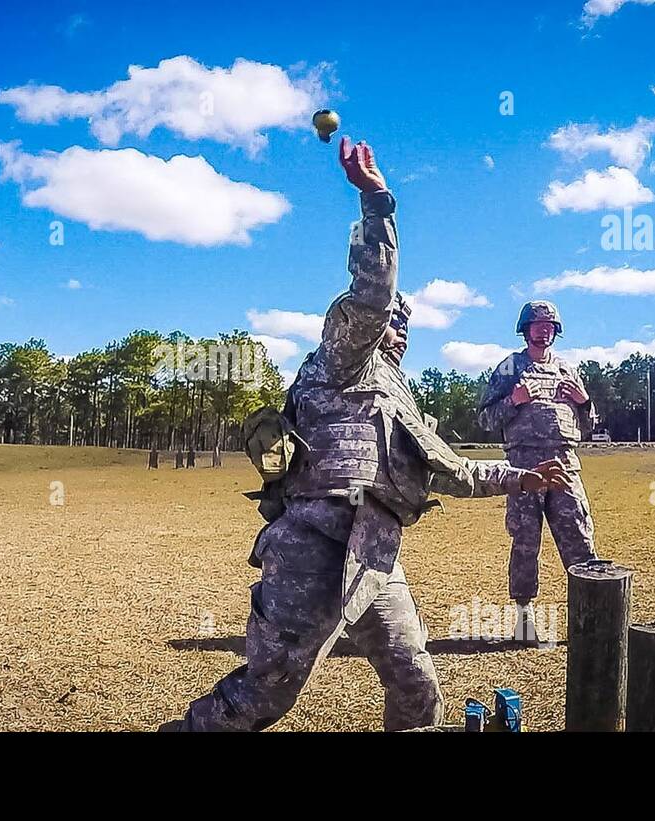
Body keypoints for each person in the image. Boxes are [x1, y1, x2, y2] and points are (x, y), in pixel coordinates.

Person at [163, 137, 571, 732]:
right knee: (267, 693)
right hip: (311, 543)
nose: (400, 329)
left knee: (414, 681)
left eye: (409, 323)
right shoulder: (340, 361)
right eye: (393, 321)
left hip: (375, 552)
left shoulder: (397, 394)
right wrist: (377, 202)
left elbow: (453, 470)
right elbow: (373, 299)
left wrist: (524, 477)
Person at [477, 301, 600, 645]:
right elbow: (485, 420)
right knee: (525, 542)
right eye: (537, 323)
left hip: (565, 464)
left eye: (549, 324)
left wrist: (585, 401)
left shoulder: (567, 370)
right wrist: (513, 400)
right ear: (525, 328)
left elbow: (590, 425)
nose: (543, 329)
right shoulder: (510, 368)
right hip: (524, 467)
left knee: (579, 538)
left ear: (556, 330)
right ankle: (523, 620)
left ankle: (590, 617)